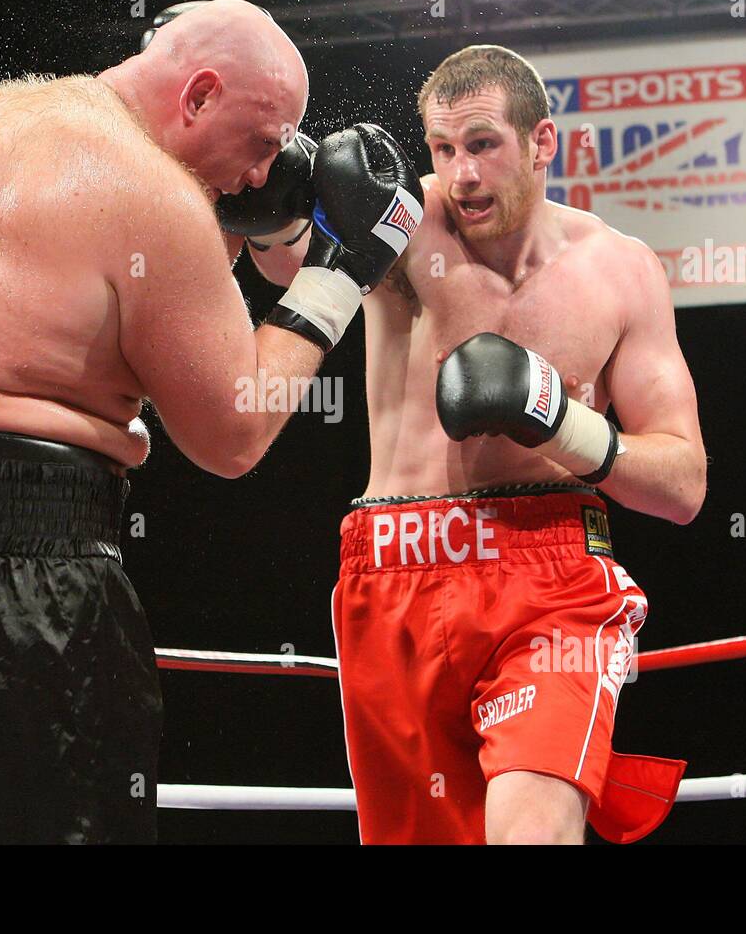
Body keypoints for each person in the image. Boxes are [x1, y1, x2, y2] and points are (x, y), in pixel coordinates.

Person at [0, 0, 422, 843]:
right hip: (6, 569)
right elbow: (234, 434)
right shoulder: (149, 191)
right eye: (264, 143)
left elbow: (168, 266)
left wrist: (274, 214)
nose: (259, 171)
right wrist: (345, 269)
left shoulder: (1, 112)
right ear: (197, 95)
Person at [242, 45, 705, 844]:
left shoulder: (622, 272)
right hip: (391, 574)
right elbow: (286, 259)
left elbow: (684, 482)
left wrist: (563, 421)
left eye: (483, 144)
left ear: (541, 141)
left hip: (553, 580)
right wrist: (282, 206)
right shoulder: (404, 221)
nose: (459, 174)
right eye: (443, 148)